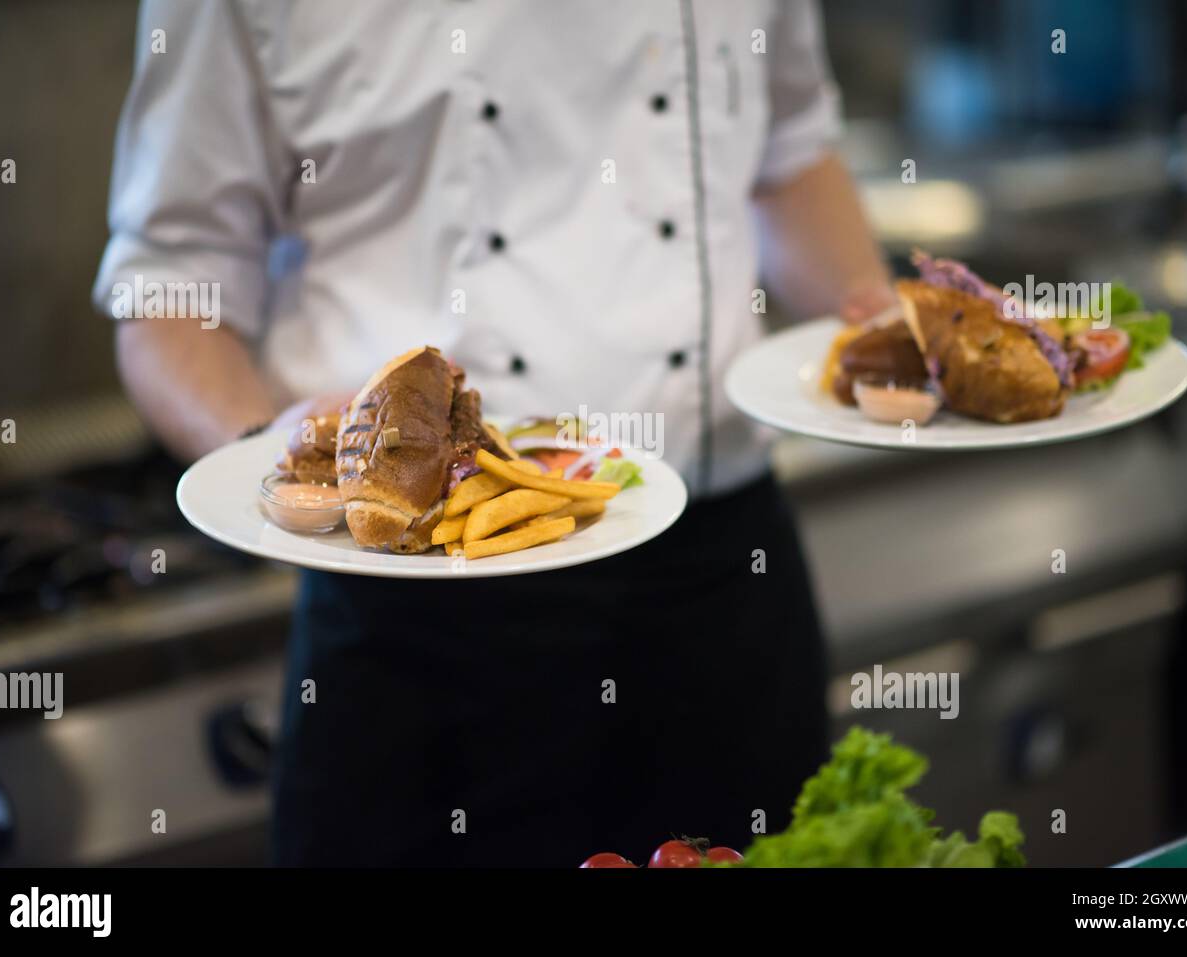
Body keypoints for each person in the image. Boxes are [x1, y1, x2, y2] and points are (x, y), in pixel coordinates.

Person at [95, 0, 894, 866]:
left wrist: (892, 327)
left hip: (724, 585)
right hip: (417, 608)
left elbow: (790, 160)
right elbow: (169, 287)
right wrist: (272, 443)